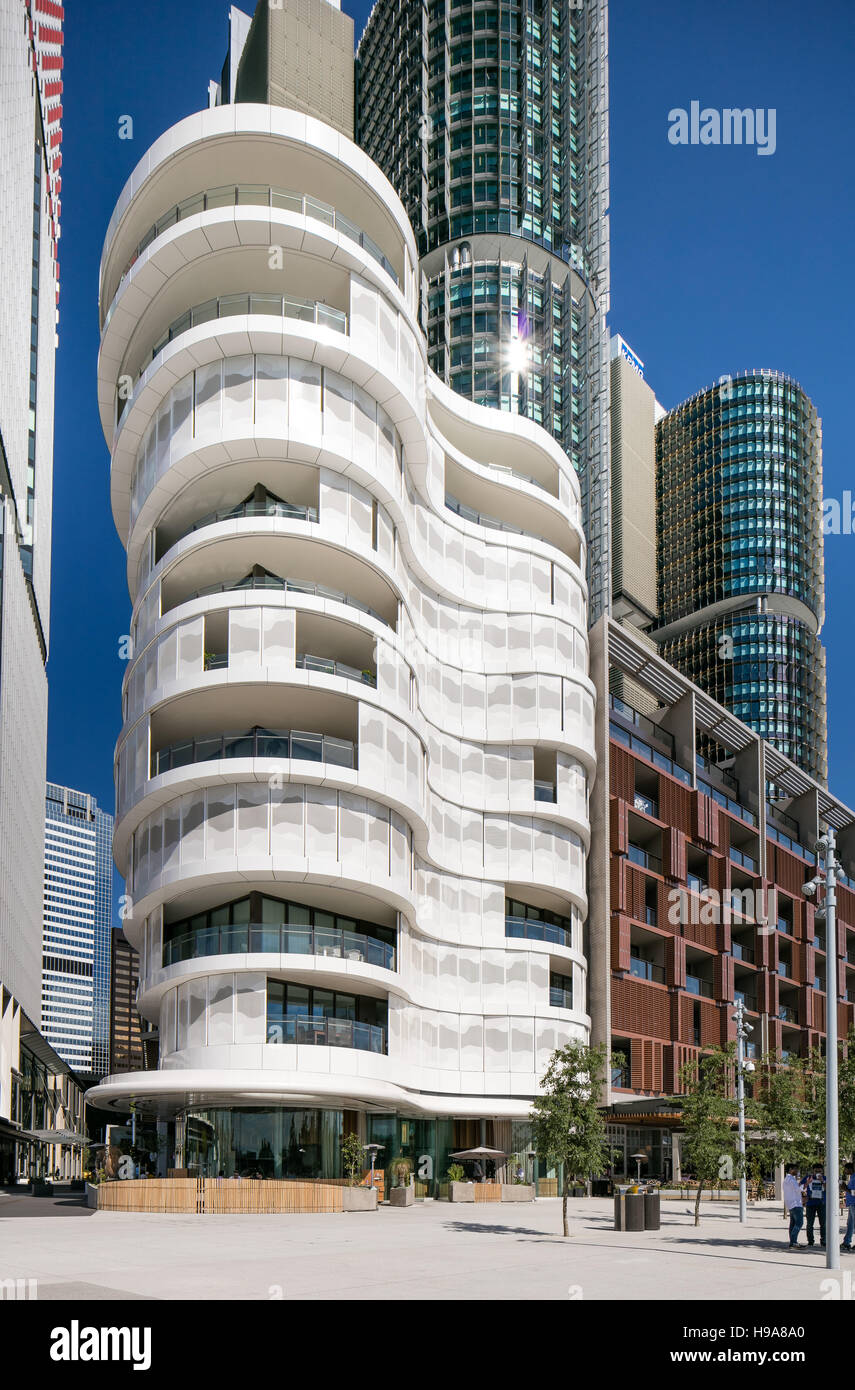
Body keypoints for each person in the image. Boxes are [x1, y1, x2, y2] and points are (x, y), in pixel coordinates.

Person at [801, 1164, 826, 1248]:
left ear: (822, 1171)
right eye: (816, 1171)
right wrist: (804, 1196)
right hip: (810, 1203)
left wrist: (822, 1181)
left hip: (822, 1203)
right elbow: (800, 1187)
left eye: (820, 1171)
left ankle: (824, 1241)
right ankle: (810, 1241)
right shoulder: (808, 1178)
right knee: (810, 1224)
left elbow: (829, 1189)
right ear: (813, 1171)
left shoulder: (825, 1178)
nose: (818, 1173)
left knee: (823, 1224)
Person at [783, 1164, 804, 1248]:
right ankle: (793, 1241)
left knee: (793, 1223)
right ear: (791, 1169)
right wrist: (805, 1184)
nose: (797, 1171)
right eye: (795, 1169)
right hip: (796, 1203)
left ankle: (793, 1242)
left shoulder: (787, 1179)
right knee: (799, 1223)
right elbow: (798, 1190)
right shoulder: (791, 1179)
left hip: (791, 1203)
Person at [842, 1163, 855, 1252]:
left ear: (850, 1169)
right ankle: (846, 1242)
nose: (844, 1171)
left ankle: (847, 1242)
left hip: (854, 1204)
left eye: (845, 1169)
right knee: (850, 1225)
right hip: (851, 1204)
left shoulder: (854, 1178)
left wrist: (845, 1188)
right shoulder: (852, 1178)